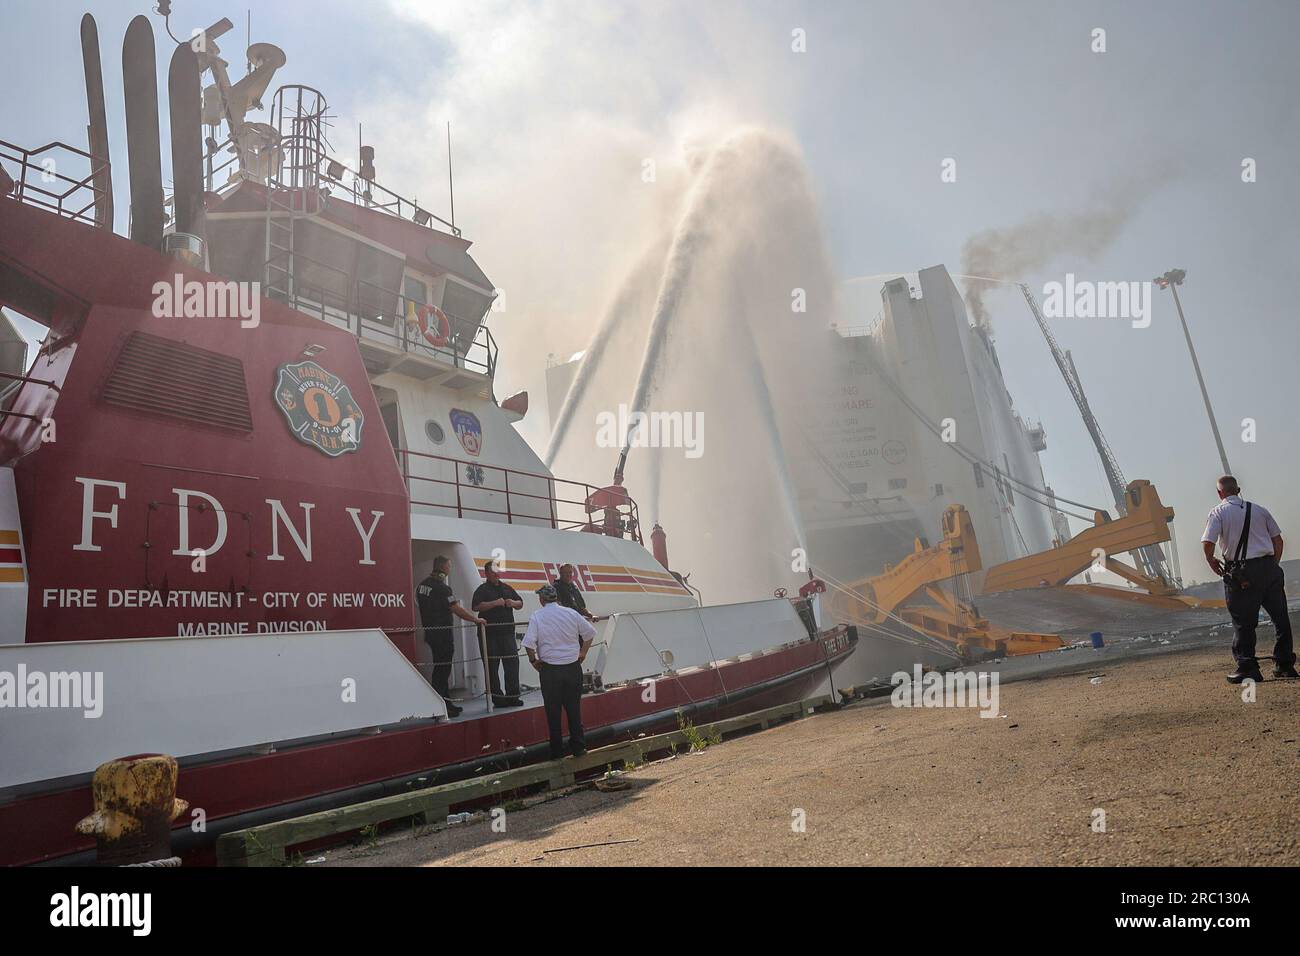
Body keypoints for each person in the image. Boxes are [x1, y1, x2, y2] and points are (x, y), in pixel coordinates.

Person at [1201, 475, 1297, 683]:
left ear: (1220, 493)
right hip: (1269, 568)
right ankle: (1285, 664)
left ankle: (1248, 667)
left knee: (1243, 622)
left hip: (1241, 573)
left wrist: (1211, 560)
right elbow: (1278, 540)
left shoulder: (1218, 511)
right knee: (1280, 617)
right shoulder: (1260, 510)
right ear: (1238, 489)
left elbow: (1208, 542)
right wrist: (1272, 565)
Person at [522, 583, 597, 759]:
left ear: (541, 599)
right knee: (573, 709)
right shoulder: (571, 613)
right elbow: (590, 633)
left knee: (553, 712)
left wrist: (534, 661)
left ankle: (557, 752)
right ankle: (579, 747)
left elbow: (528, 644)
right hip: (572, 667)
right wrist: (583, 653)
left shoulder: (537, 616)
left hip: (550, 671)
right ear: (556, 597)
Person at [416, 556, 487, 717]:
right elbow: (456, 609)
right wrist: (476, 619)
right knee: (443, 670)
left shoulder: (422, 586)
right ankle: (438, 705)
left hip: (431, 634)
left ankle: (446, 703)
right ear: (443, 568)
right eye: (449, 566)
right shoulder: (442, 588)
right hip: (442, 635)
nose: (450, 569)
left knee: (440, 668)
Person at [471, 560, 525, 706]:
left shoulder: (507, 587)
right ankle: (497, 698)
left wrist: (512, 603)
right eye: (493, 572)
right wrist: (494, 603)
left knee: (512, 664)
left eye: (497, 571)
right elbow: (476, 606)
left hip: (507, 633)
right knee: (491, 667)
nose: (496, 574)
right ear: (486, 573)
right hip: (489, 635)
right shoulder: (482, 590)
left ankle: (513, 696)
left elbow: (520, 603)